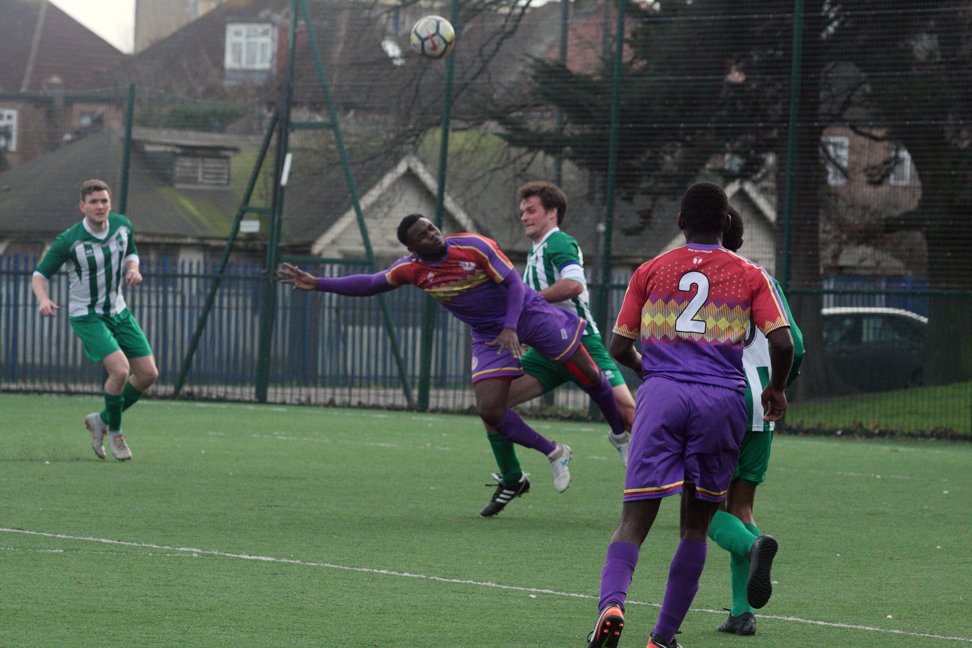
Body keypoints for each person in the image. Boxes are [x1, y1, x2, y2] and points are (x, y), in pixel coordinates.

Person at [278, 214, 625, 497]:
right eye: (423, 235)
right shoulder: (411, 270)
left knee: (590, 376)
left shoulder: (473, 245)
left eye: (432, 227)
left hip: (529, 315)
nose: (433, 234)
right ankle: (554, 452)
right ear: (412, 247)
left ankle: (619, 436)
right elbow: (370, 283)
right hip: (489, 337)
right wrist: (318, 283)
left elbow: (516, 286)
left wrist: (511, 326)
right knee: (490, 409)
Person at [586, 182, 795, 648]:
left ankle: (613, 605)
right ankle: (661, 638)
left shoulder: (650, 270)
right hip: (720, 400)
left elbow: (619, 344)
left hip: (661, 397)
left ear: (681, 222)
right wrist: (776, 388)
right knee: (696, 526)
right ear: (726, 223)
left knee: (633, 522)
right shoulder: (749, 273)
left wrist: (649, 371)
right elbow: (782, 341)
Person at [480, 181, 636, 517]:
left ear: (552, 212)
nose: (524, 216)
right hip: (547, 351)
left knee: (628, 411)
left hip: (581, 342)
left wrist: (527, 301)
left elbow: (573, 284)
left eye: (531, 209)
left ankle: (687, 483)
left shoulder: (559, 242)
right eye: (522, 211)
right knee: (494, 408)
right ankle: (511, 477)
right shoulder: (535, 252)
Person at [706, 208, 805, 636]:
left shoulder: (703, 278)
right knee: (741, 506)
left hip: (715, 402)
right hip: (760, 405)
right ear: (741, 240)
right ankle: (742, 612)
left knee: (702, 509)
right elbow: (794, 344)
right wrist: (778, 386)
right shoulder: (764, 278)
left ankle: (752, 546)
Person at [31, 179, 159, 461]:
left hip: (118, 311)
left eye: (104, 201)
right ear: (82, 206)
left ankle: (99, 420)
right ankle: (115, 433)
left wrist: (133, 269)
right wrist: (43, 299)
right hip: (87, 315)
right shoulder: (69, 240)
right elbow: (39, 275)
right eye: (93, 202)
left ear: (109, 204)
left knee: (149, 374)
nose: (100, 206)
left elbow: (131, 252)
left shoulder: (122, 225)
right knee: (121, 371)